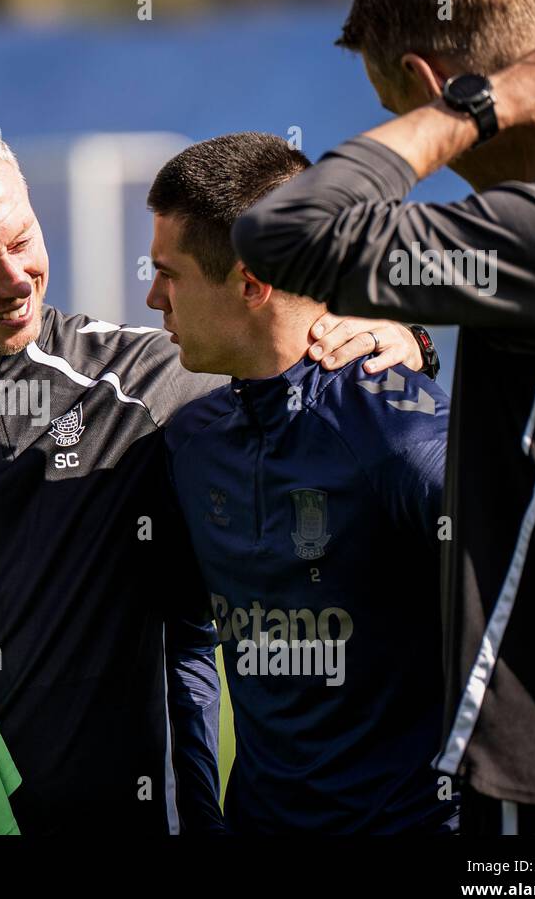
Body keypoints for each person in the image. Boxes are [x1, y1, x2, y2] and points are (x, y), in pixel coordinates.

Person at [0, 108, 431, 834]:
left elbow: (291, 350)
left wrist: (394, 337)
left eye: (23, 240)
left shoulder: (158, 385)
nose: (14, 281)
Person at [231, 0, 535, 833]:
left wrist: (476, 107)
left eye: (394, 106)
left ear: (425, 84)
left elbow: (284, 233)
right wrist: (413, 335)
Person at [147, 131, 456, 832]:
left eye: (170, 273)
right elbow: (189, 639)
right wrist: (199, 814)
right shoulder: (189, 444)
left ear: (252, 283)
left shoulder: (397, 433)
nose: (151, 296)